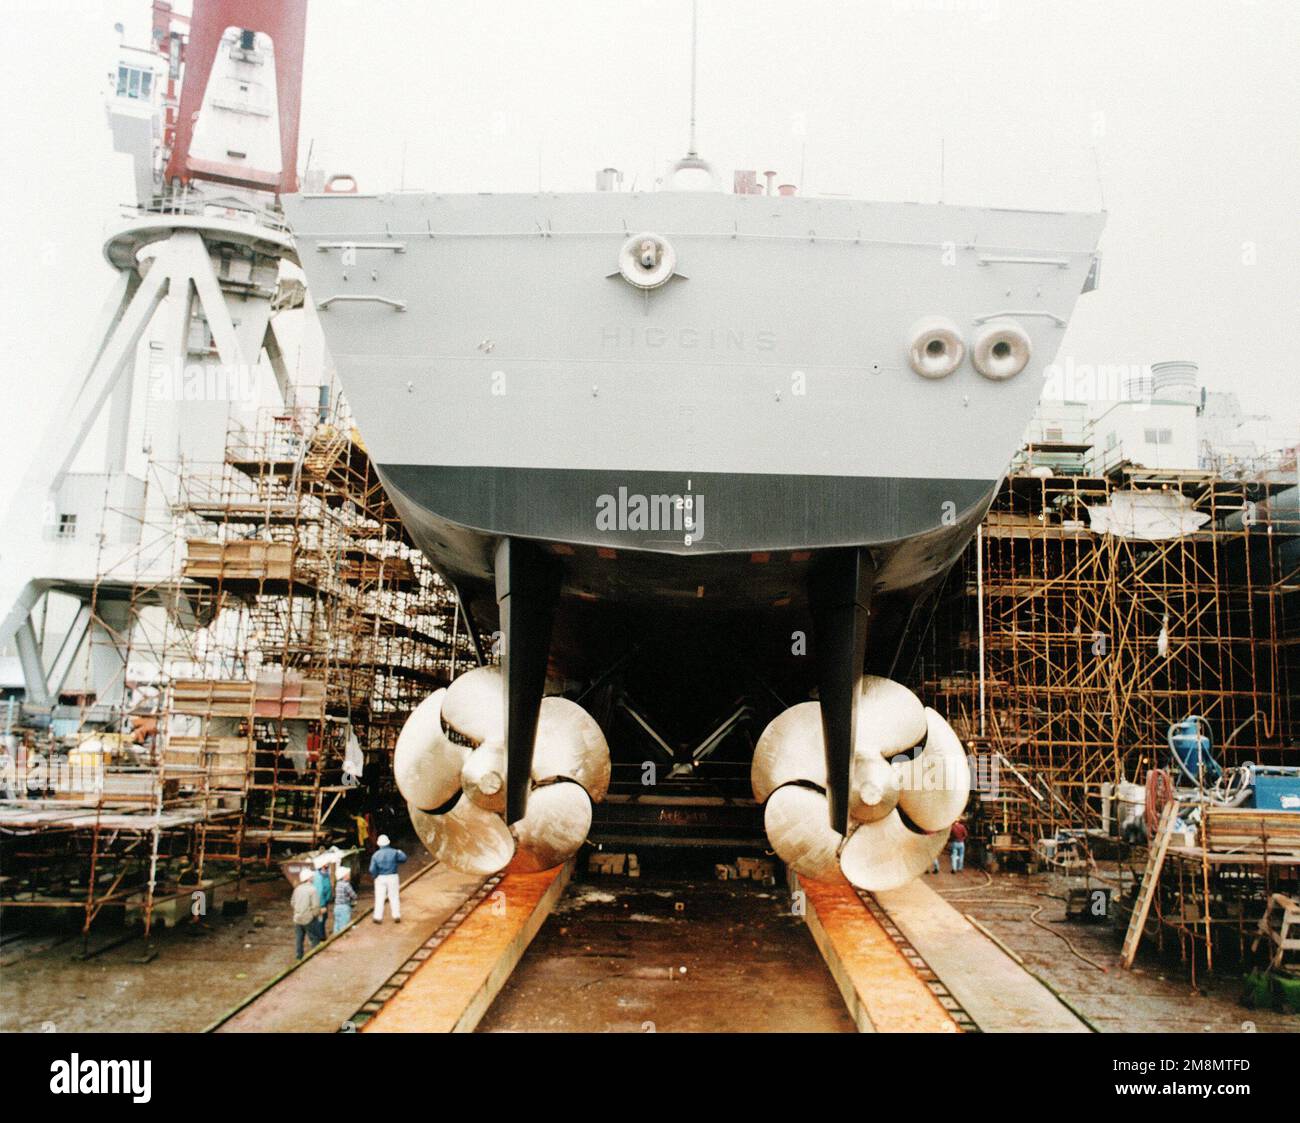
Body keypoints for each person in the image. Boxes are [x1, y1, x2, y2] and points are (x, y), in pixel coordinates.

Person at [369, 834, 407, 923]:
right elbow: (404, 859)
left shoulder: (375, 855)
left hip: (380, 877)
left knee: (379, 897)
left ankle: (377, 917)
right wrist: (400, 852)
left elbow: (372, 869)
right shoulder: (394, 852)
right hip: (393, 876)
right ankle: (396, 915)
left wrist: (375, 876)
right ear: (388, 843)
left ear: (378, 844)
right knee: (394, 896)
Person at [291, 869, 322, 960]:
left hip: (297, 918)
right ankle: (315, 956)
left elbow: (292, 902)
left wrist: (298, 911)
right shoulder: (312, 889)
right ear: (309, 878)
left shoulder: (297, 889)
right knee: (314, 938)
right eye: (311, 876)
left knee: (299, 939)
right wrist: (314, 915)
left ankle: (298, 957)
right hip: (308, 918)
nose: (313, 878)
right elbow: (316, 906)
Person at [312, 860, 334, 940]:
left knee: (323, 919)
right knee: (320, 920)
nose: (327, 865)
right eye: (326, 864)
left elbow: (327, 888)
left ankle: (321, 936)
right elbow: (319, 892)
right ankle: (320, 938)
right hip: (321, 903)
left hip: (325, 901)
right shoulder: (318, 877)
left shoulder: (325, 874)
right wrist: (321, 905)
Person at [334, 866, 358, 931]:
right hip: (344, 907)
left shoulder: (338, 884)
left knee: (337, 923)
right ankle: (343, 938)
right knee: (344, 924)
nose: (350, 875)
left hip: (337, 906)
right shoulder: (346, 885)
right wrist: (355, 897)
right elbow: (353, 895)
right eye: (348, 874)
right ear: (344, 876)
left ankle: (335, 936)